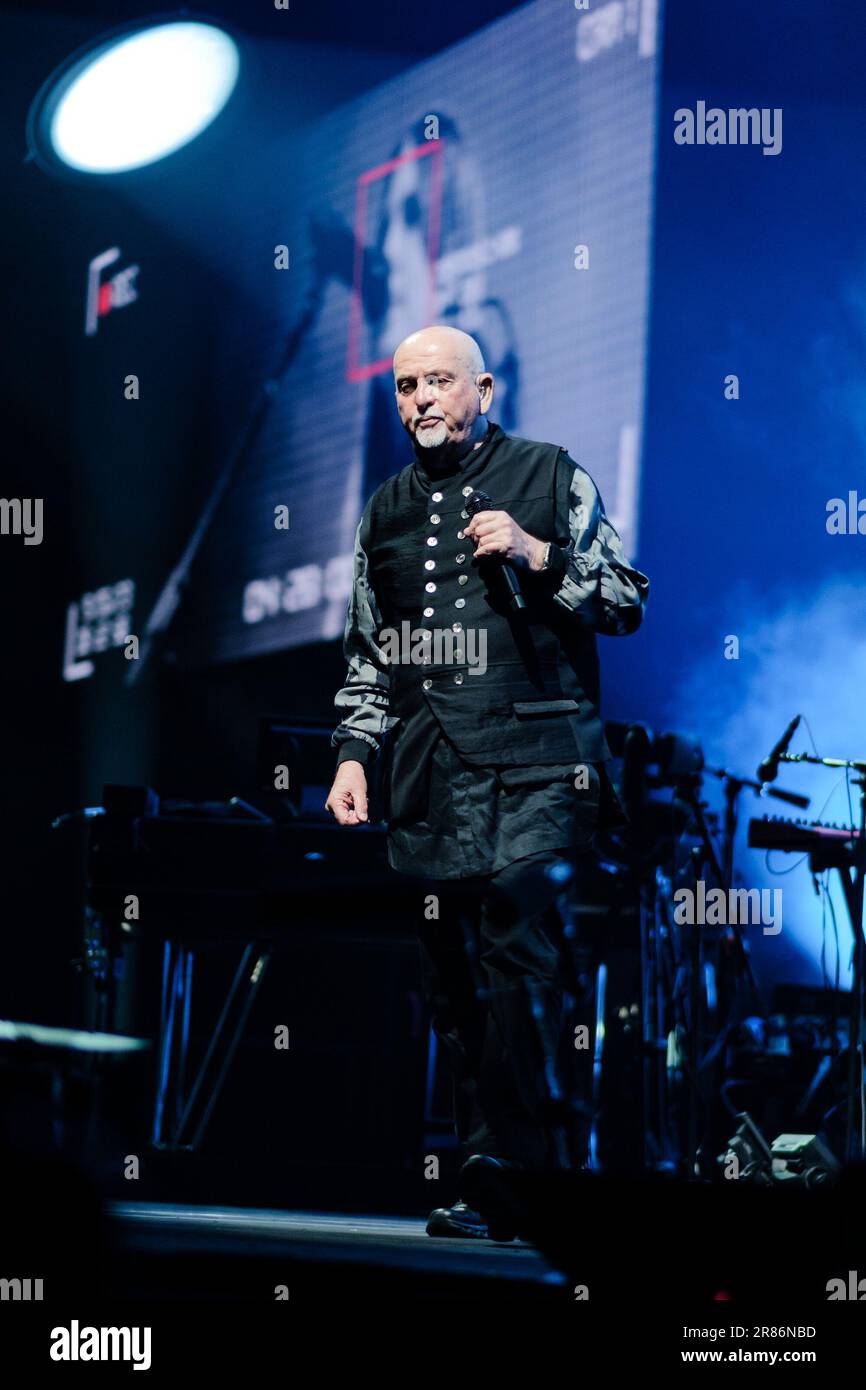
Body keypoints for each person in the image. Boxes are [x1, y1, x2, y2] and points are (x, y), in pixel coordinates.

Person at [325, 325, 649, 1239]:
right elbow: (370, 652)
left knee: (519, 931)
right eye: (404, 387)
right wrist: (354, 754)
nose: (421, 399)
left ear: (485, 389)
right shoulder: (384, 511)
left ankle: (539, 1168)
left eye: (438, 381)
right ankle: (490, 1178)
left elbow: (625, 598)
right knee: (456, 976)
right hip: (433, 771)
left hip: (545, 762)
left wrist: (539, 553)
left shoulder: (550, 475)